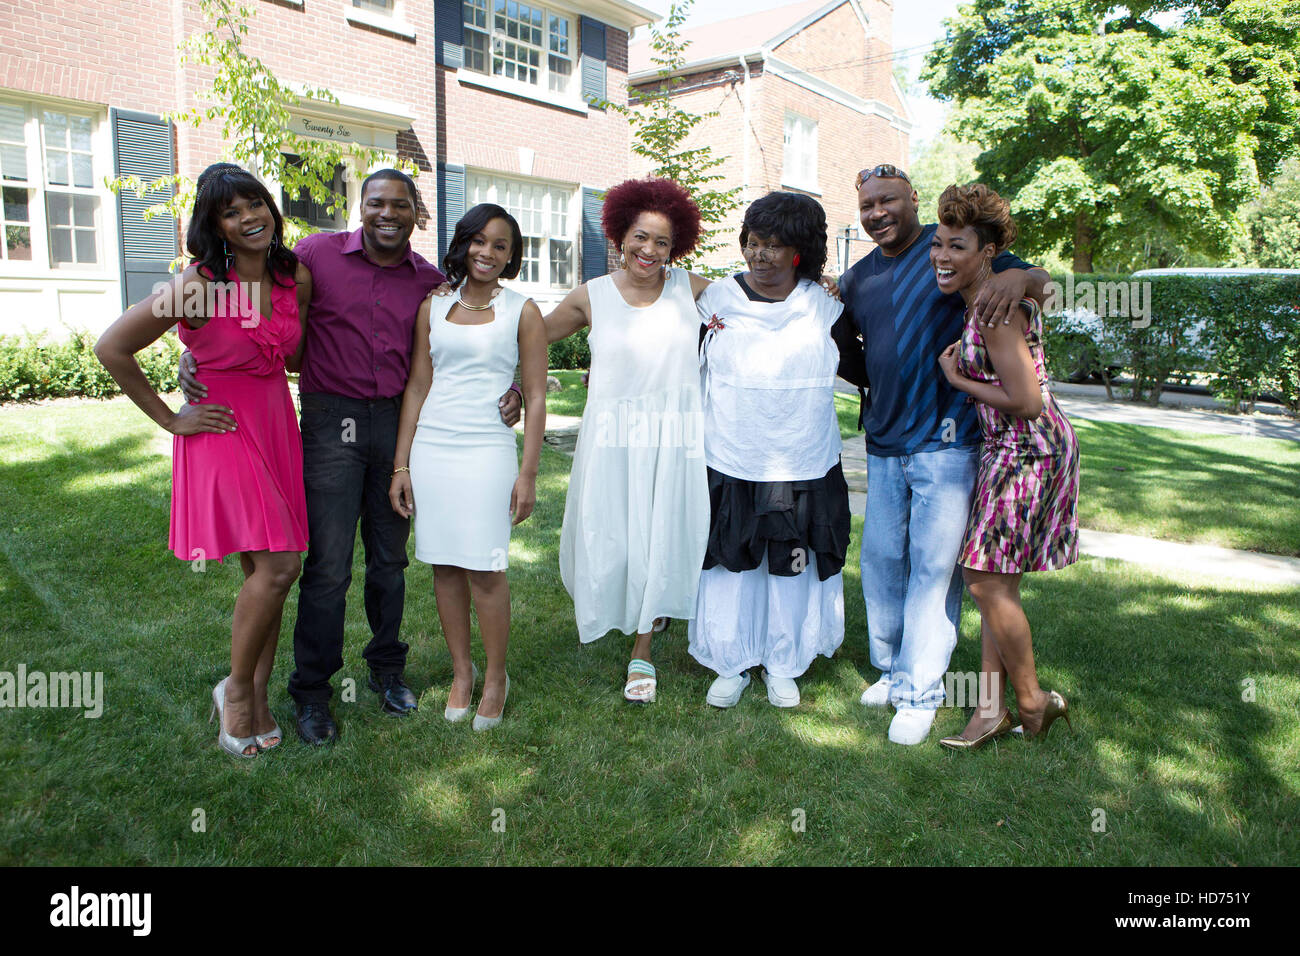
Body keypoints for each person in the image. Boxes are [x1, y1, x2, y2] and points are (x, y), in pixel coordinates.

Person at [180, 169, 523, 745]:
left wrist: (511, 386)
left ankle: (388, 671)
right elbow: (242, 296)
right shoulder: (313, 256)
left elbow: (468, 343)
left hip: (396, 421)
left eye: (401, 205)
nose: (388, 214)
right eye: (376, 203)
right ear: (360, 207)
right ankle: (312, 692)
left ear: (416, 213)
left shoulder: (432, 283)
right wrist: (193, 357)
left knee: (389, 560)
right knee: (328, 564)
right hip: (327, 417)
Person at [95, 162, 309, 758]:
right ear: (214, 225)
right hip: (221, 429)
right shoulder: (197, 286)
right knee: (280, 567)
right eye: (232, 212)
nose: (248, 219)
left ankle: (258, 694)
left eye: (254, 204)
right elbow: (111, 347)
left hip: (275, 427)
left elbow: (294, 360)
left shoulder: (294, 278)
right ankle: (237, 694)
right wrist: (170, 416)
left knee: (263, 574)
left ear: (270, 206)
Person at [837, 164, 1051, 745]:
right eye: (867, 205)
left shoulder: (952, 250)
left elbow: (1042, 282)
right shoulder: (856, 280)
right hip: (882, 441)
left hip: (947, 444)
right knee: (882, 563)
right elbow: (855, 352)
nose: (877, 212)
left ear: (913, 202)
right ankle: (889, 668)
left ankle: (921, 690)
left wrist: (1026, 276)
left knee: (934, 573)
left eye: (889, 201)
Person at [543, 177, 712, 703]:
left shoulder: (693, 288)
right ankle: (631, 608)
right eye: (642, 237)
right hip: (612, 438)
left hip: (673, 435)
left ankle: (643, 649)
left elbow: (758, 292)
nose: (650, 251)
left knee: (662, 532)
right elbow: (528, 335)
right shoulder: (591, 296)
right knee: (613, 533)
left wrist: (820, 283)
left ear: (675, 246)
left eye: (663, 242)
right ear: (621, 234)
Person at [388, 204, 547, 730]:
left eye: (500, 245)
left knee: (485, 567)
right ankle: (462, 672)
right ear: (464, 244)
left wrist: (527, 473)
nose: (487, 252)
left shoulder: (522, 311)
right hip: (433, 447)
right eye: (479, 241)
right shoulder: (432, 306)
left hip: (487, 451)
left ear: (511, 255)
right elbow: (417, 384)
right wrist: (401, 464)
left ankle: (497, 676)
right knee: (445, 565)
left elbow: (538, 394)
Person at [689, 192, 850, 708]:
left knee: (791, 562)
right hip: (731, 454)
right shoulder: (714, 301)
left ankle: (783, 662)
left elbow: (867, 368)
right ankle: (730, 661)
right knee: (729, 561)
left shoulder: (825, 307)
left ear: (799, 251)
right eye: (753, 243)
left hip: (802, 459)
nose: (759, 255)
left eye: (774, 246)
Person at [931, 183, 1077, 747]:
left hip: (1029, 449)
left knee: (986, 582)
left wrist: (958, 380)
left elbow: (1028, 401)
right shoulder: (983, 301)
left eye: (957, 246)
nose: (942, 256)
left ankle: (1032, 701)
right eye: (937, 245)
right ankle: (990, 710)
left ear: (986, 252)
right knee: (995, 580)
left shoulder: (994, 311)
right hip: (1010, 449)